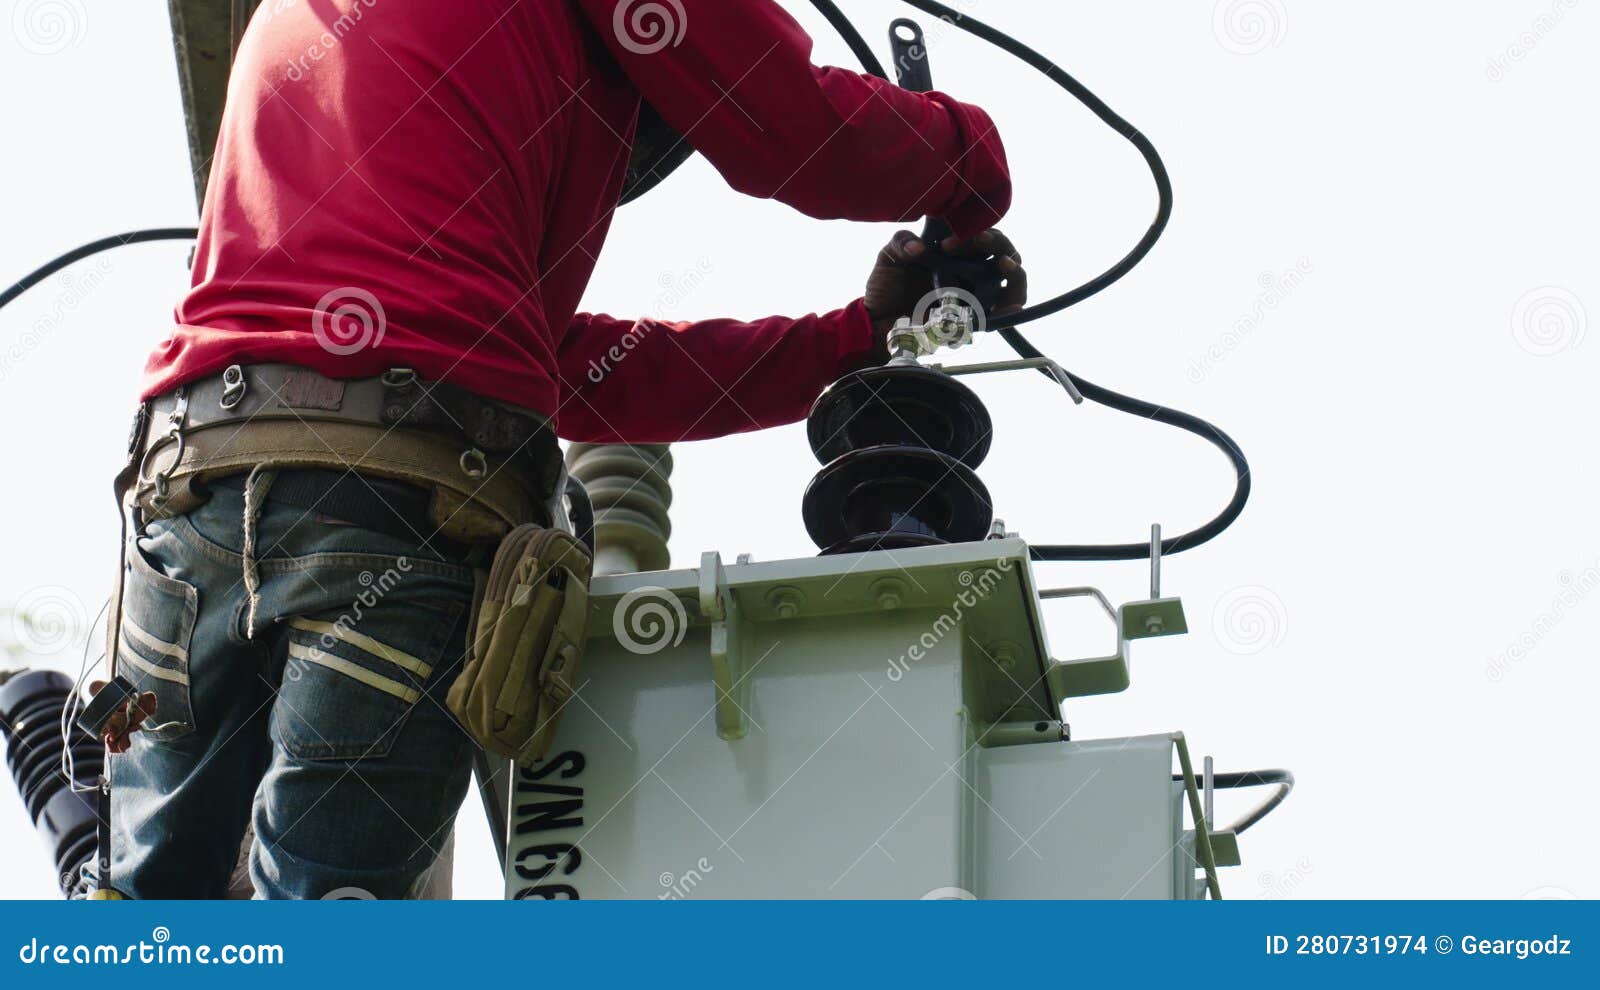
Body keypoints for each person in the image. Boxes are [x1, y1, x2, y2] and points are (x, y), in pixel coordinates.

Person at [105, 0, 1025, 898]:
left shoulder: (328, 36)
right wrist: (973, 175)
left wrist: (852, 338)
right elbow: (786, 121)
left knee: (143, 921)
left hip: (190, 490)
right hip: (400, 496)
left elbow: (572, 374)